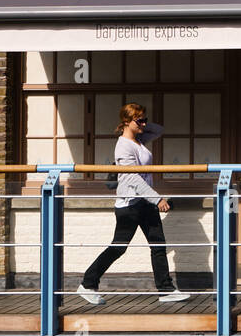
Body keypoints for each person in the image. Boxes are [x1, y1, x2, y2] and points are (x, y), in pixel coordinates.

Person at [77, 103, 187, 306]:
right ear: (126, 122)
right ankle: (87, 283)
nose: (145, 123)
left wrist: (140, 123)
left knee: (158, 245)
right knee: (119, 247)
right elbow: (134, 179)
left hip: (144, 203)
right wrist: (158, 199)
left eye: (145, 119)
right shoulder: (123, 146)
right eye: (140, 120)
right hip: (130, 205)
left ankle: (165, 289)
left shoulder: (138, 139)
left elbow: (159, 130)